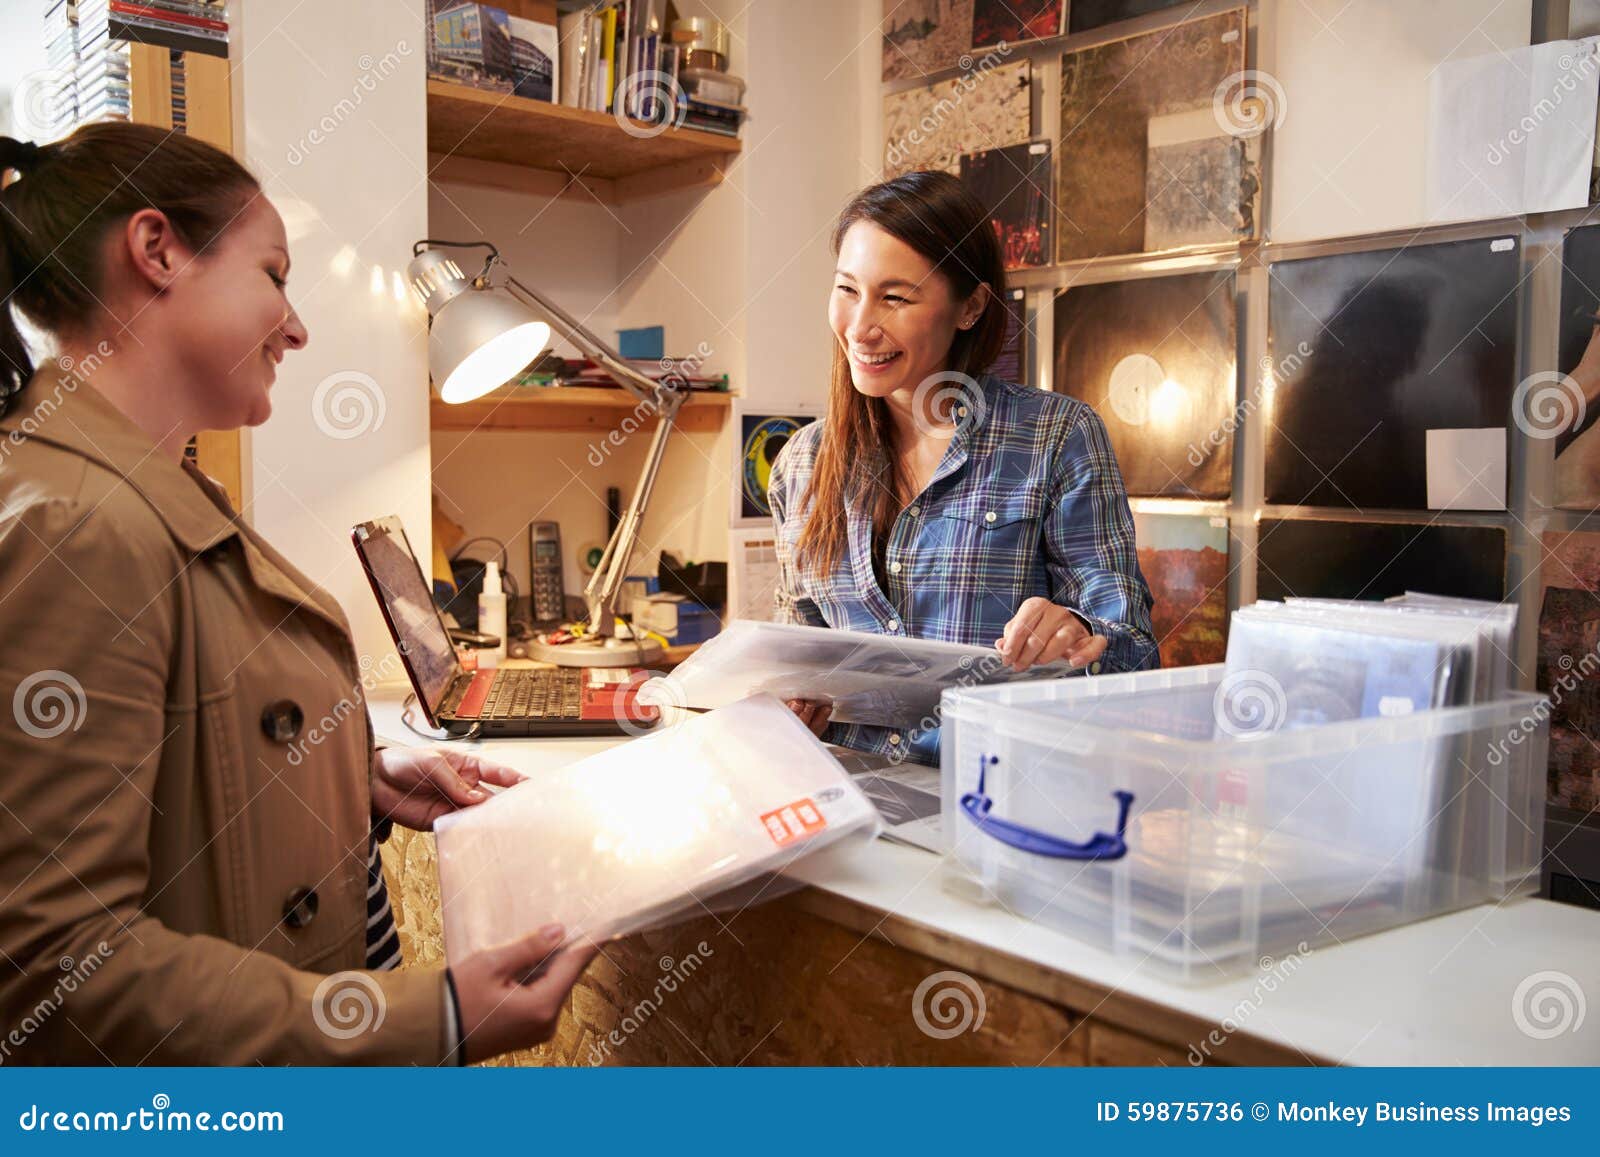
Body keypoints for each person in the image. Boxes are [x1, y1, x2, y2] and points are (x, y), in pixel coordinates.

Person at [0, 124, 594, 1065]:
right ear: (157, 251)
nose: (297, 322)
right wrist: (433, 1017)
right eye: (273, 274)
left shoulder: (152, 491)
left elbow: (179, 756)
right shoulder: (78, 524)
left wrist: (338, 779)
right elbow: (57, 963)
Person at [768, 171, 1159, 765]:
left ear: (970, 307)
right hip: (849, 804)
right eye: (848, 290)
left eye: (895, 297)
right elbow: (796, 659)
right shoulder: (800, 464)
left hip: (1000, 803)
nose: (860, 325)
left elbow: (1133, 651)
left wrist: (1076, 633)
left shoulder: (1056, 437)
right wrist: (789, 705)